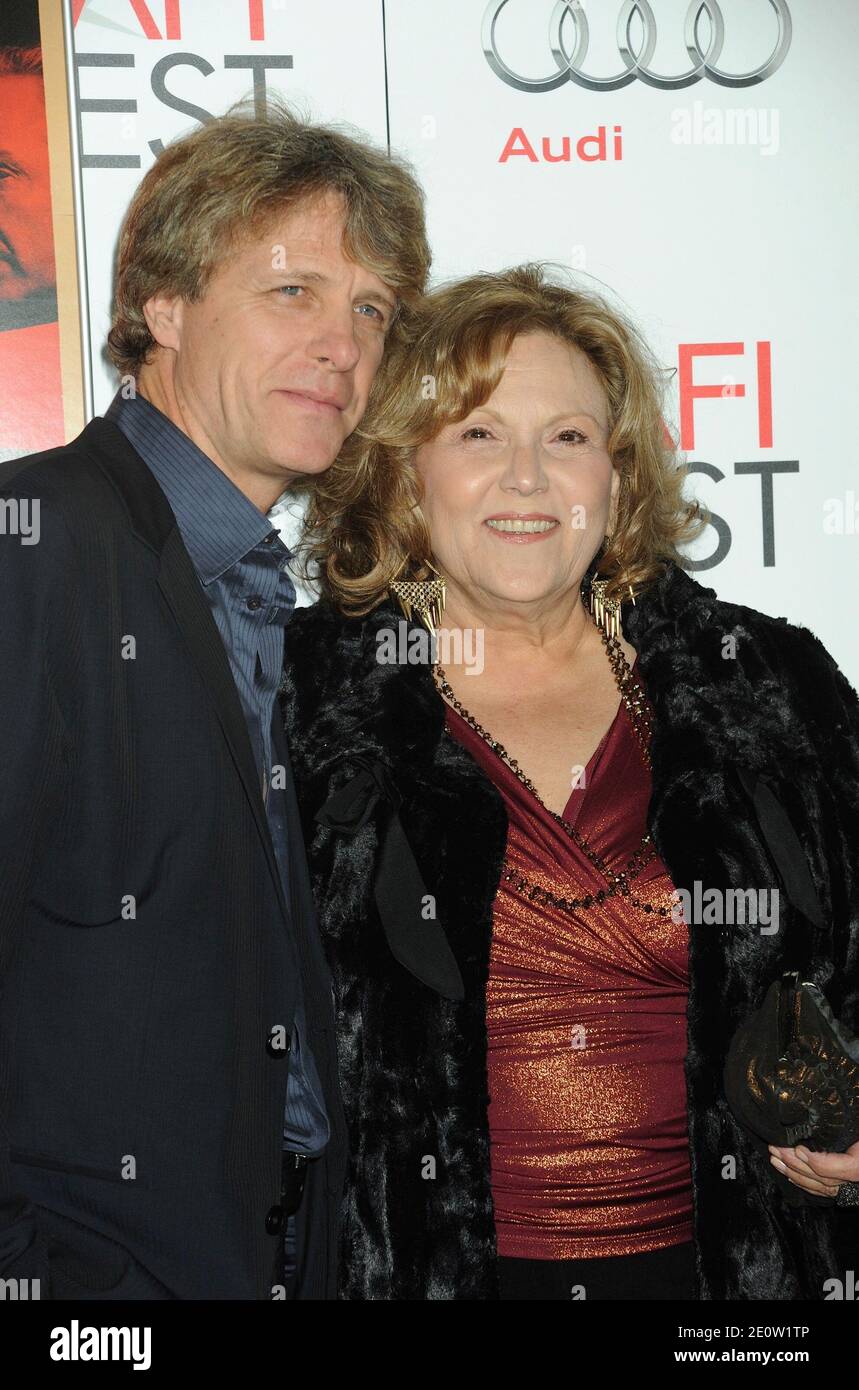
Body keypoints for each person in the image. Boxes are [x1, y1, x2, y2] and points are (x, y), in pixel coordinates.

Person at [279, 264, 859, 1300]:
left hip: (736, 1283)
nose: (527, 479)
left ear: (619, 478)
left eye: (567, 438)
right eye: (477, 434)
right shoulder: (303, 700)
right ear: (405, 474)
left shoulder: (764, 683)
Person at [0, 101, 430, 1299]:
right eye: (294, 292)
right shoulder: (31, 545)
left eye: (372, 311)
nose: (345, 345)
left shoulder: (264, 591)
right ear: (163, 306)